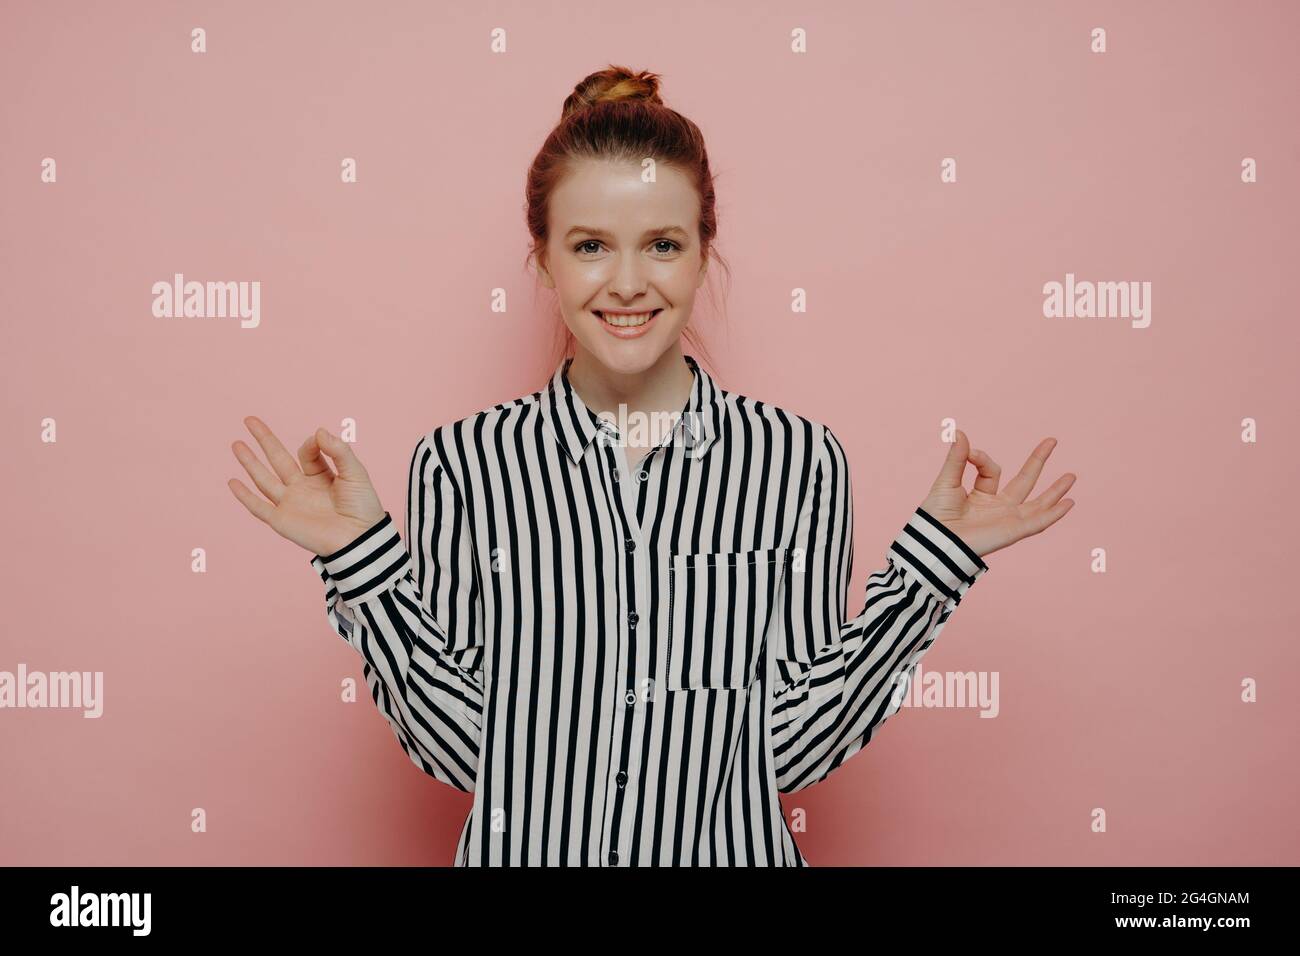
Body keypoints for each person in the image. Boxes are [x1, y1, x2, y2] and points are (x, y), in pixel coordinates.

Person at [227, 65, 1076, 866]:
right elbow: (462, 749)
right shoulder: (462, 465)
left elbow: (792, 744)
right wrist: (360, 562)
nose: (628, 283)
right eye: (591, 245)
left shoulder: (798, 465)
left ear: (705, 250)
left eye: (662, 245)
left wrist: (935, 567)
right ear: (544, 257)